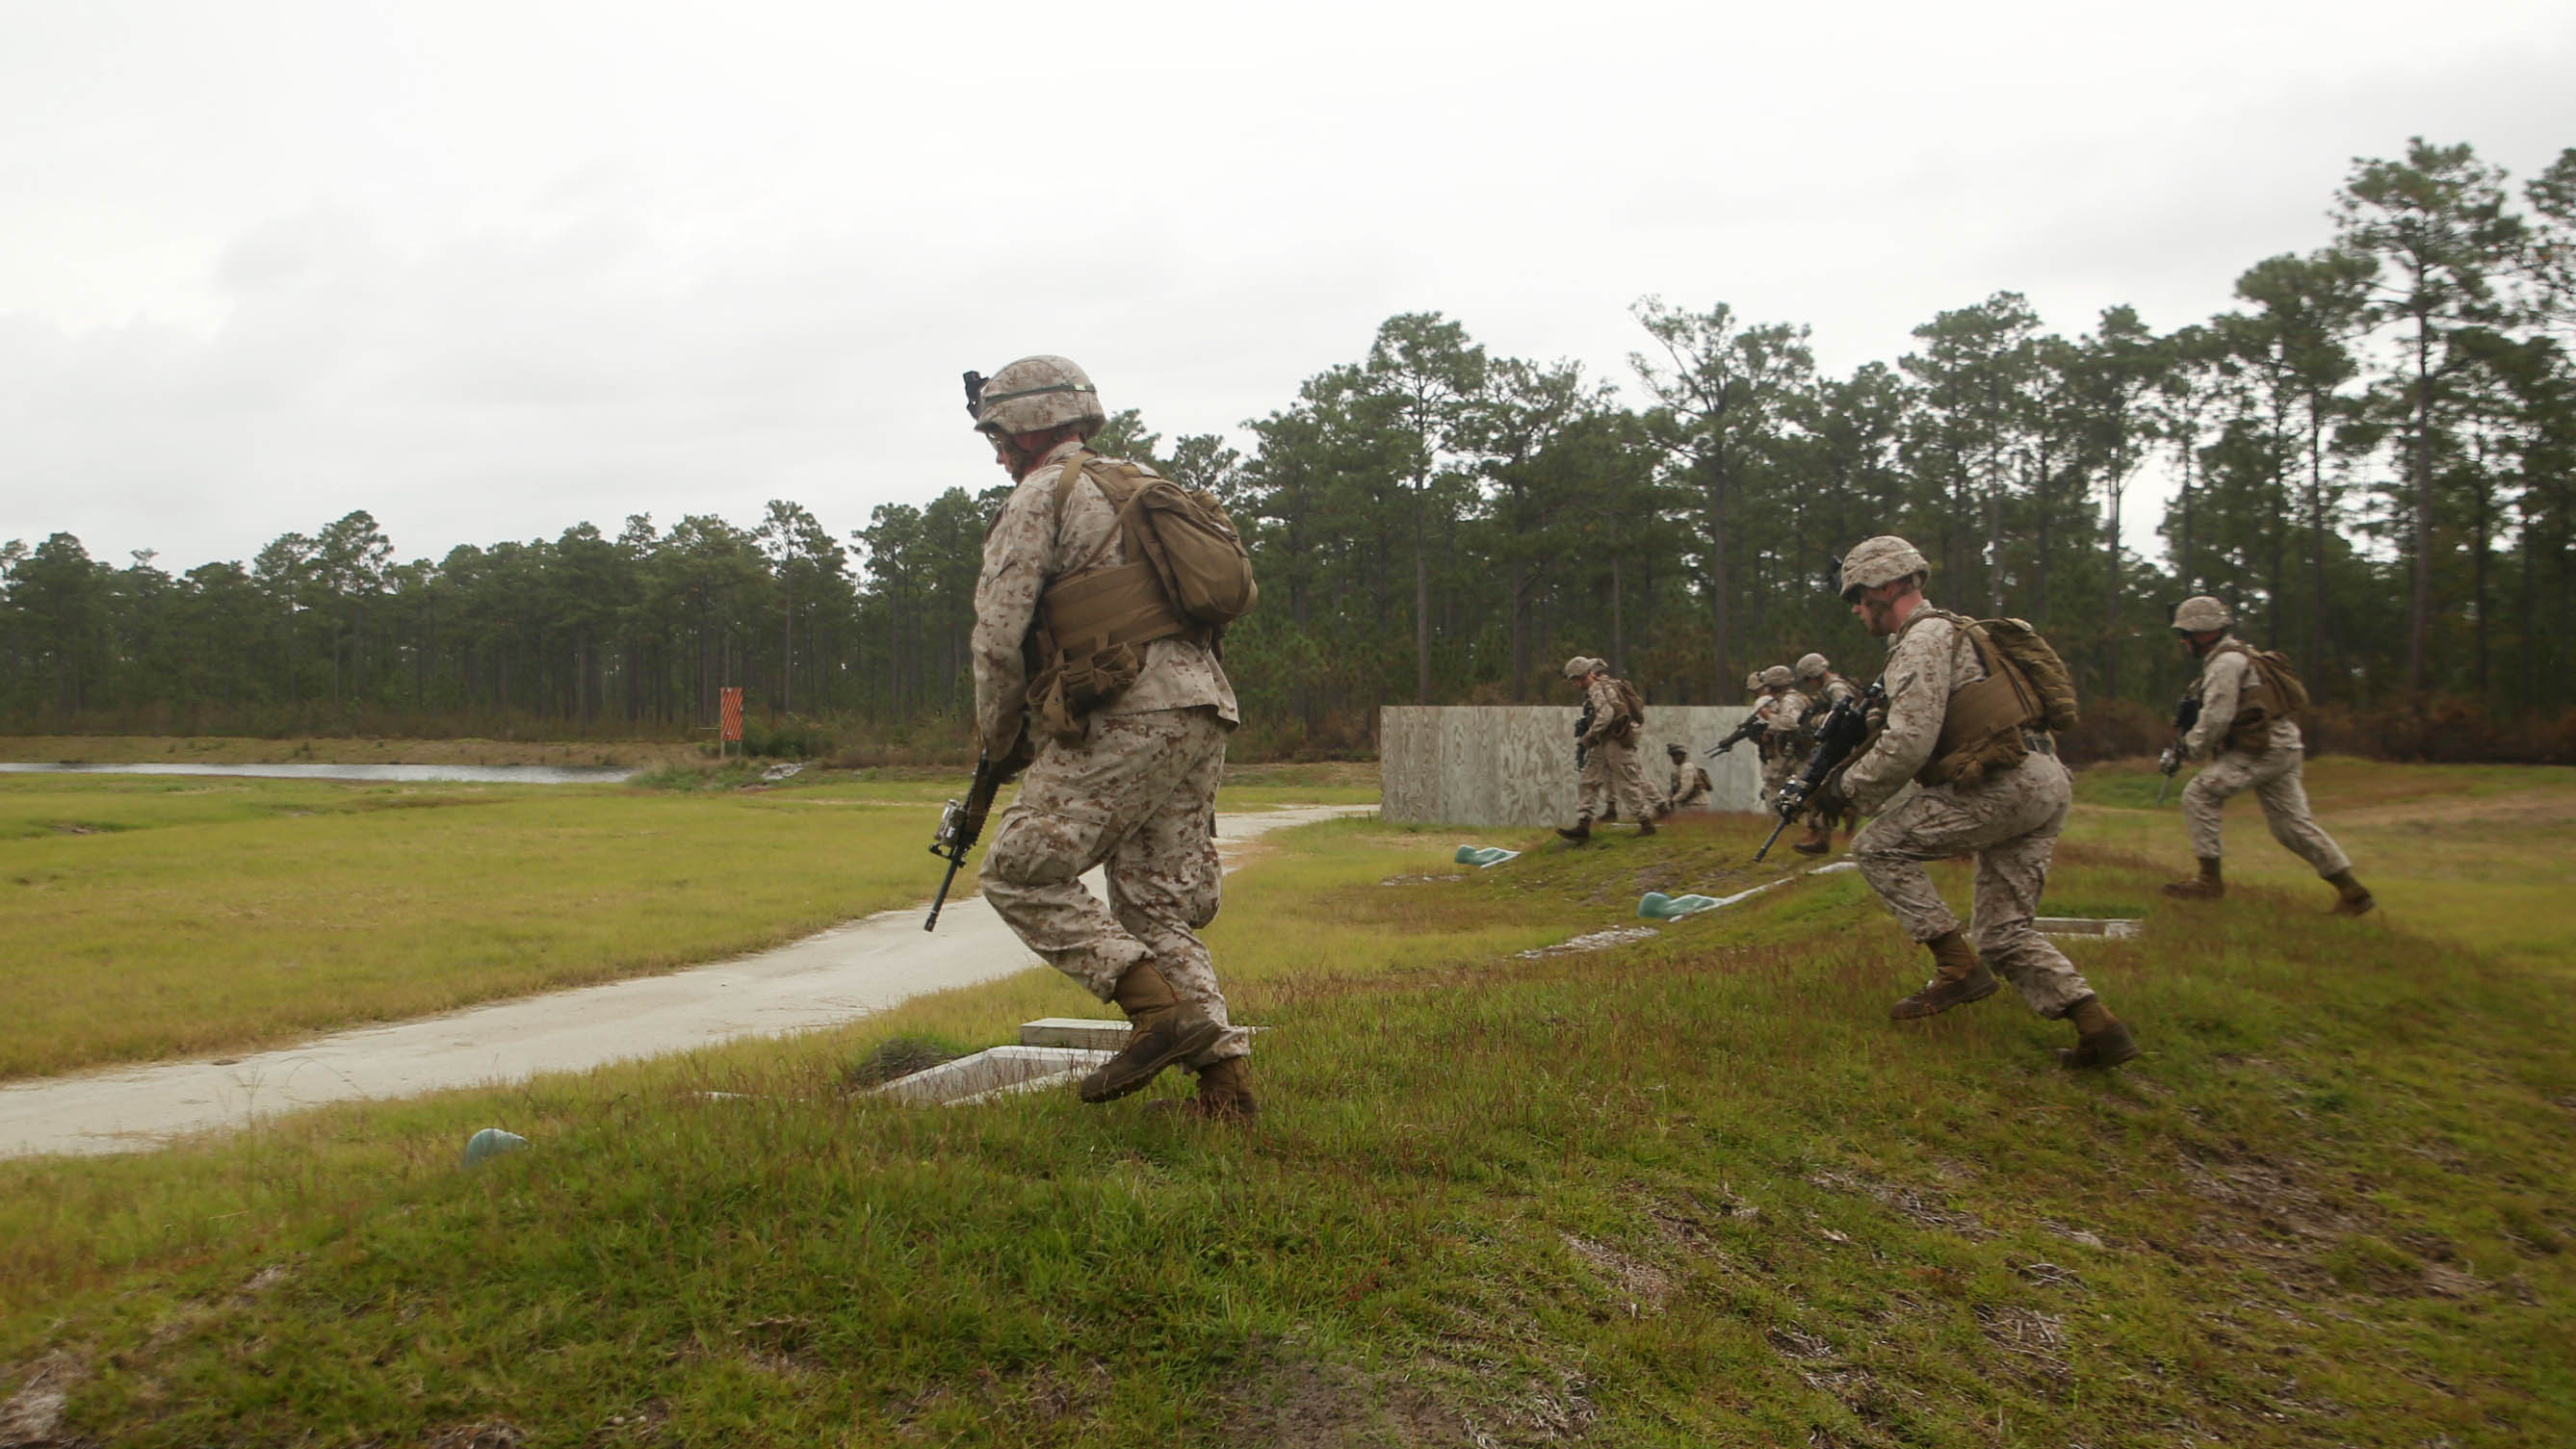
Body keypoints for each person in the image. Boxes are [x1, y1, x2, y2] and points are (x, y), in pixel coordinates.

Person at [966, 354, 1256, 1121]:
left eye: (997, 434)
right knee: (1155, 905)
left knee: (1017, 869)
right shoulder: (1138, 484)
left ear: (1026, 429)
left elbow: (998, 639)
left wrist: (1000, 747)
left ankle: (1154, 1015)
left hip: (1125, 709)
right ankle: (1226, 1091)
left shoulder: (1040, 497)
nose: (995, 451)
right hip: (1203, 708)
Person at [1834, 535, 2137, 1069]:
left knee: (1878, 847)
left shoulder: (1924, 638)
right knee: (2003, 932)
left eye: (1857, 596)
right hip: (2043, 777)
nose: (1857, 609)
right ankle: (2098, 1027)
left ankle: (1956, 969)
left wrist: (1849, 789)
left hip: (2007, 782)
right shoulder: (1959, 631)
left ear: (1887, 587)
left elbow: (1910, 742)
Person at [2160, 596, 2372, 915]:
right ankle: (2352, 891)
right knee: (2291, 827)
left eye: (2185, 634)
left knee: (2199, 794)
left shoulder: (2224, 665)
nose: (2183, 641)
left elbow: (2217, 718)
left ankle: (2208, 881)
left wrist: (2188, 749)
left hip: (2262, 749)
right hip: (2283, 743)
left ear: (2201, 633)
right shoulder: (2242, 655)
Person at [1557, 657, 1656, 842]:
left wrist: (1588, 736)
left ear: (1579, 677)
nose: (1574, 684)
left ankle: (1646, 823)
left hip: (1614, 741)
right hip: (1605, 740)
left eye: (1573, 680)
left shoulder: (1596, 689)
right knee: (1589, 779)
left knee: (1626, 782)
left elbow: (1606, 715)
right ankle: (1583, 825)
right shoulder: (1603, 685)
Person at [1790, 652, 1860, 856]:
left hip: (1845, 747)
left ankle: (1832, 832)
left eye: (1809, 679)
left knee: (1825, 790)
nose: (1809, 684)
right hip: (1836, 746)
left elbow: (1846, 713)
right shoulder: (1829, 688)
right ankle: (1823, 838)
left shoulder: (1835, 687)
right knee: (1822, 791)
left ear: (1815, 675)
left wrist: (1817, 721)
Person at [1754, 665, 1810, 807]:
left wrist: (1769, 717)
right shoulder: (1790, 698)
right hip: (1798, 750)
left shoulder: (1789, 700)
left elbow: (1790, 722)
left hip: (1800, 751)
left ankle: (1776, 819)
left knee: (1775, 784)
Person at [1666, 741, 1713, 809]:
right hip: (1693, 804)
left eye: (1675, 755)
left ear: (1682, 755)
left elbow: (1686, 788)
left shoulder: (1686, 767)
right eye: (1672, 756)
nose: (1673, 758)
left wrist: (1673, 800)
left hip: (1696, 804)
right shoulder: (1681, 767)